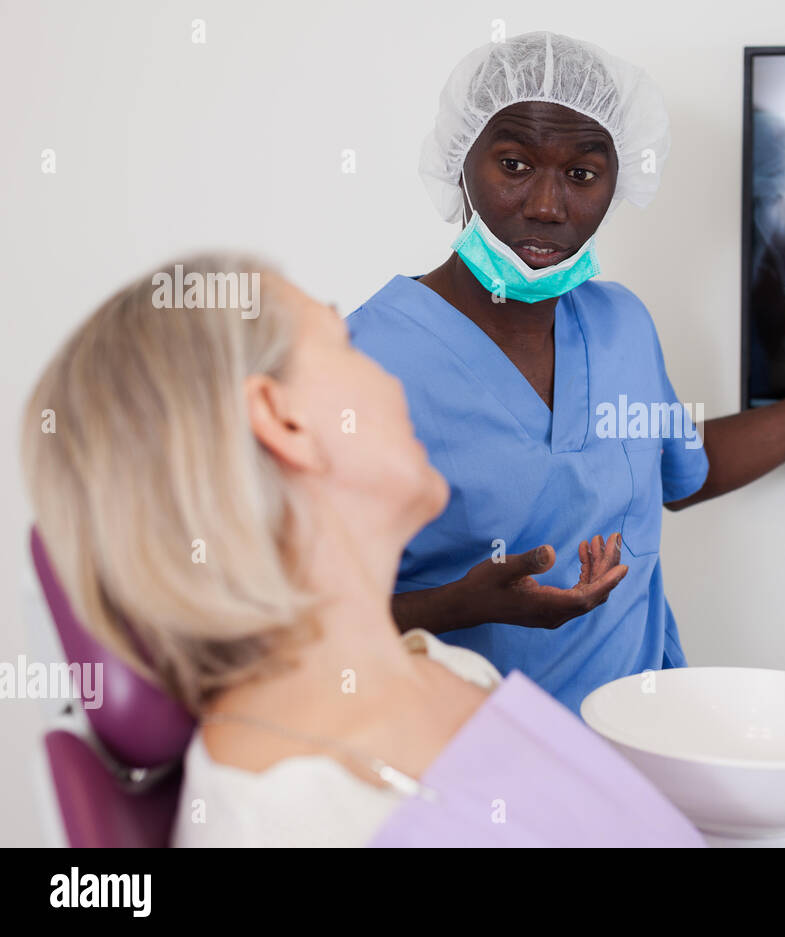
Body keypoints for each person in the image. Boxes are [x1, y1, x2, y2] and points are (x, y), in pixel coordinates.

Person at [348, 31, 785, 714]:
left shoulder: (621, 325)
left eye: (582, 174)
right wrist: (458, 604)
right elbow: (294, 620)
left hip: (639, 741)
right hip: (461, 767)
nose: (549, 205)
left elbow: (686, 466)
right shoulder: (367, 358)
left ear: (618, 182)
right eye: (515, 163)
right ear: (459, 160)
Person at [21, 254, 704, 847]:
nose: (389, 373)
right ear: (283, 421)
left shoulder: (444, 668)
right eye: (341, 344)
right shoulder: (282, 821)